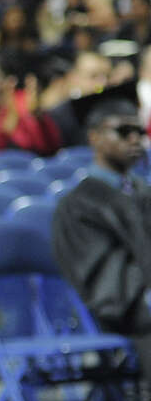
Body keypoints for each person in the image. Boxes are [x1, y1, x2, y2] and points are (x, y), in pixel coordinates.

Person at [52, 84, 151, 376]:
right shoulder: (79, 206)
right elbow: (104, 281)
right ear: (94, 137)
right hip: (126, 310)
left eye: (139, 132)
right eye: (122, 132)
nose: (134, 140)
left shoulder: (143, 192)